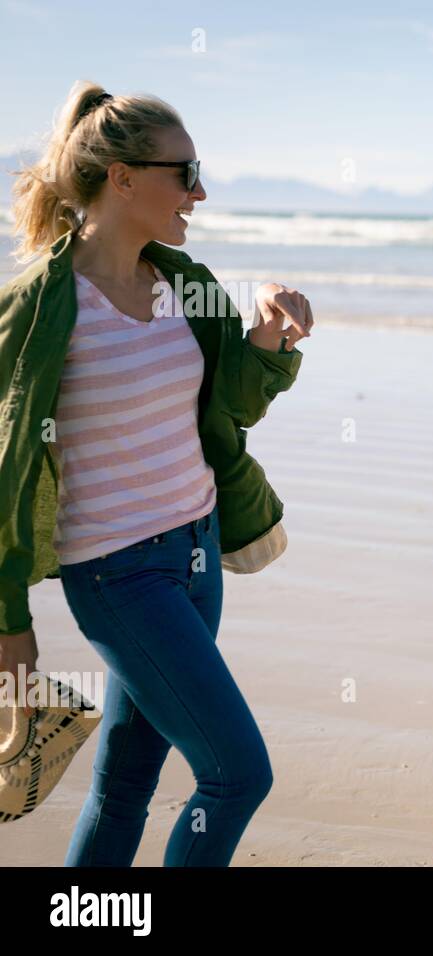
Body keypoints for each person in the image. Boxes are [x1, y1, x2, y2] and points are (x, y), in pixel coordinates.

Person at [0, 81, 314, 865]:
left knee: (125, 787)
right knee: (236, 775)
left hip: (198, 555)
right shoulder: (37, 305)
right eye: (186, 172)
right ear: (124, 177)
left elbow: (226, 410)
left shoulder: (188, 283)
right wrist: (10, 625)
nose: (199, 192)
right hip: (117, 574)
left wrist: (270, 342)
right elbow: (3, 473)